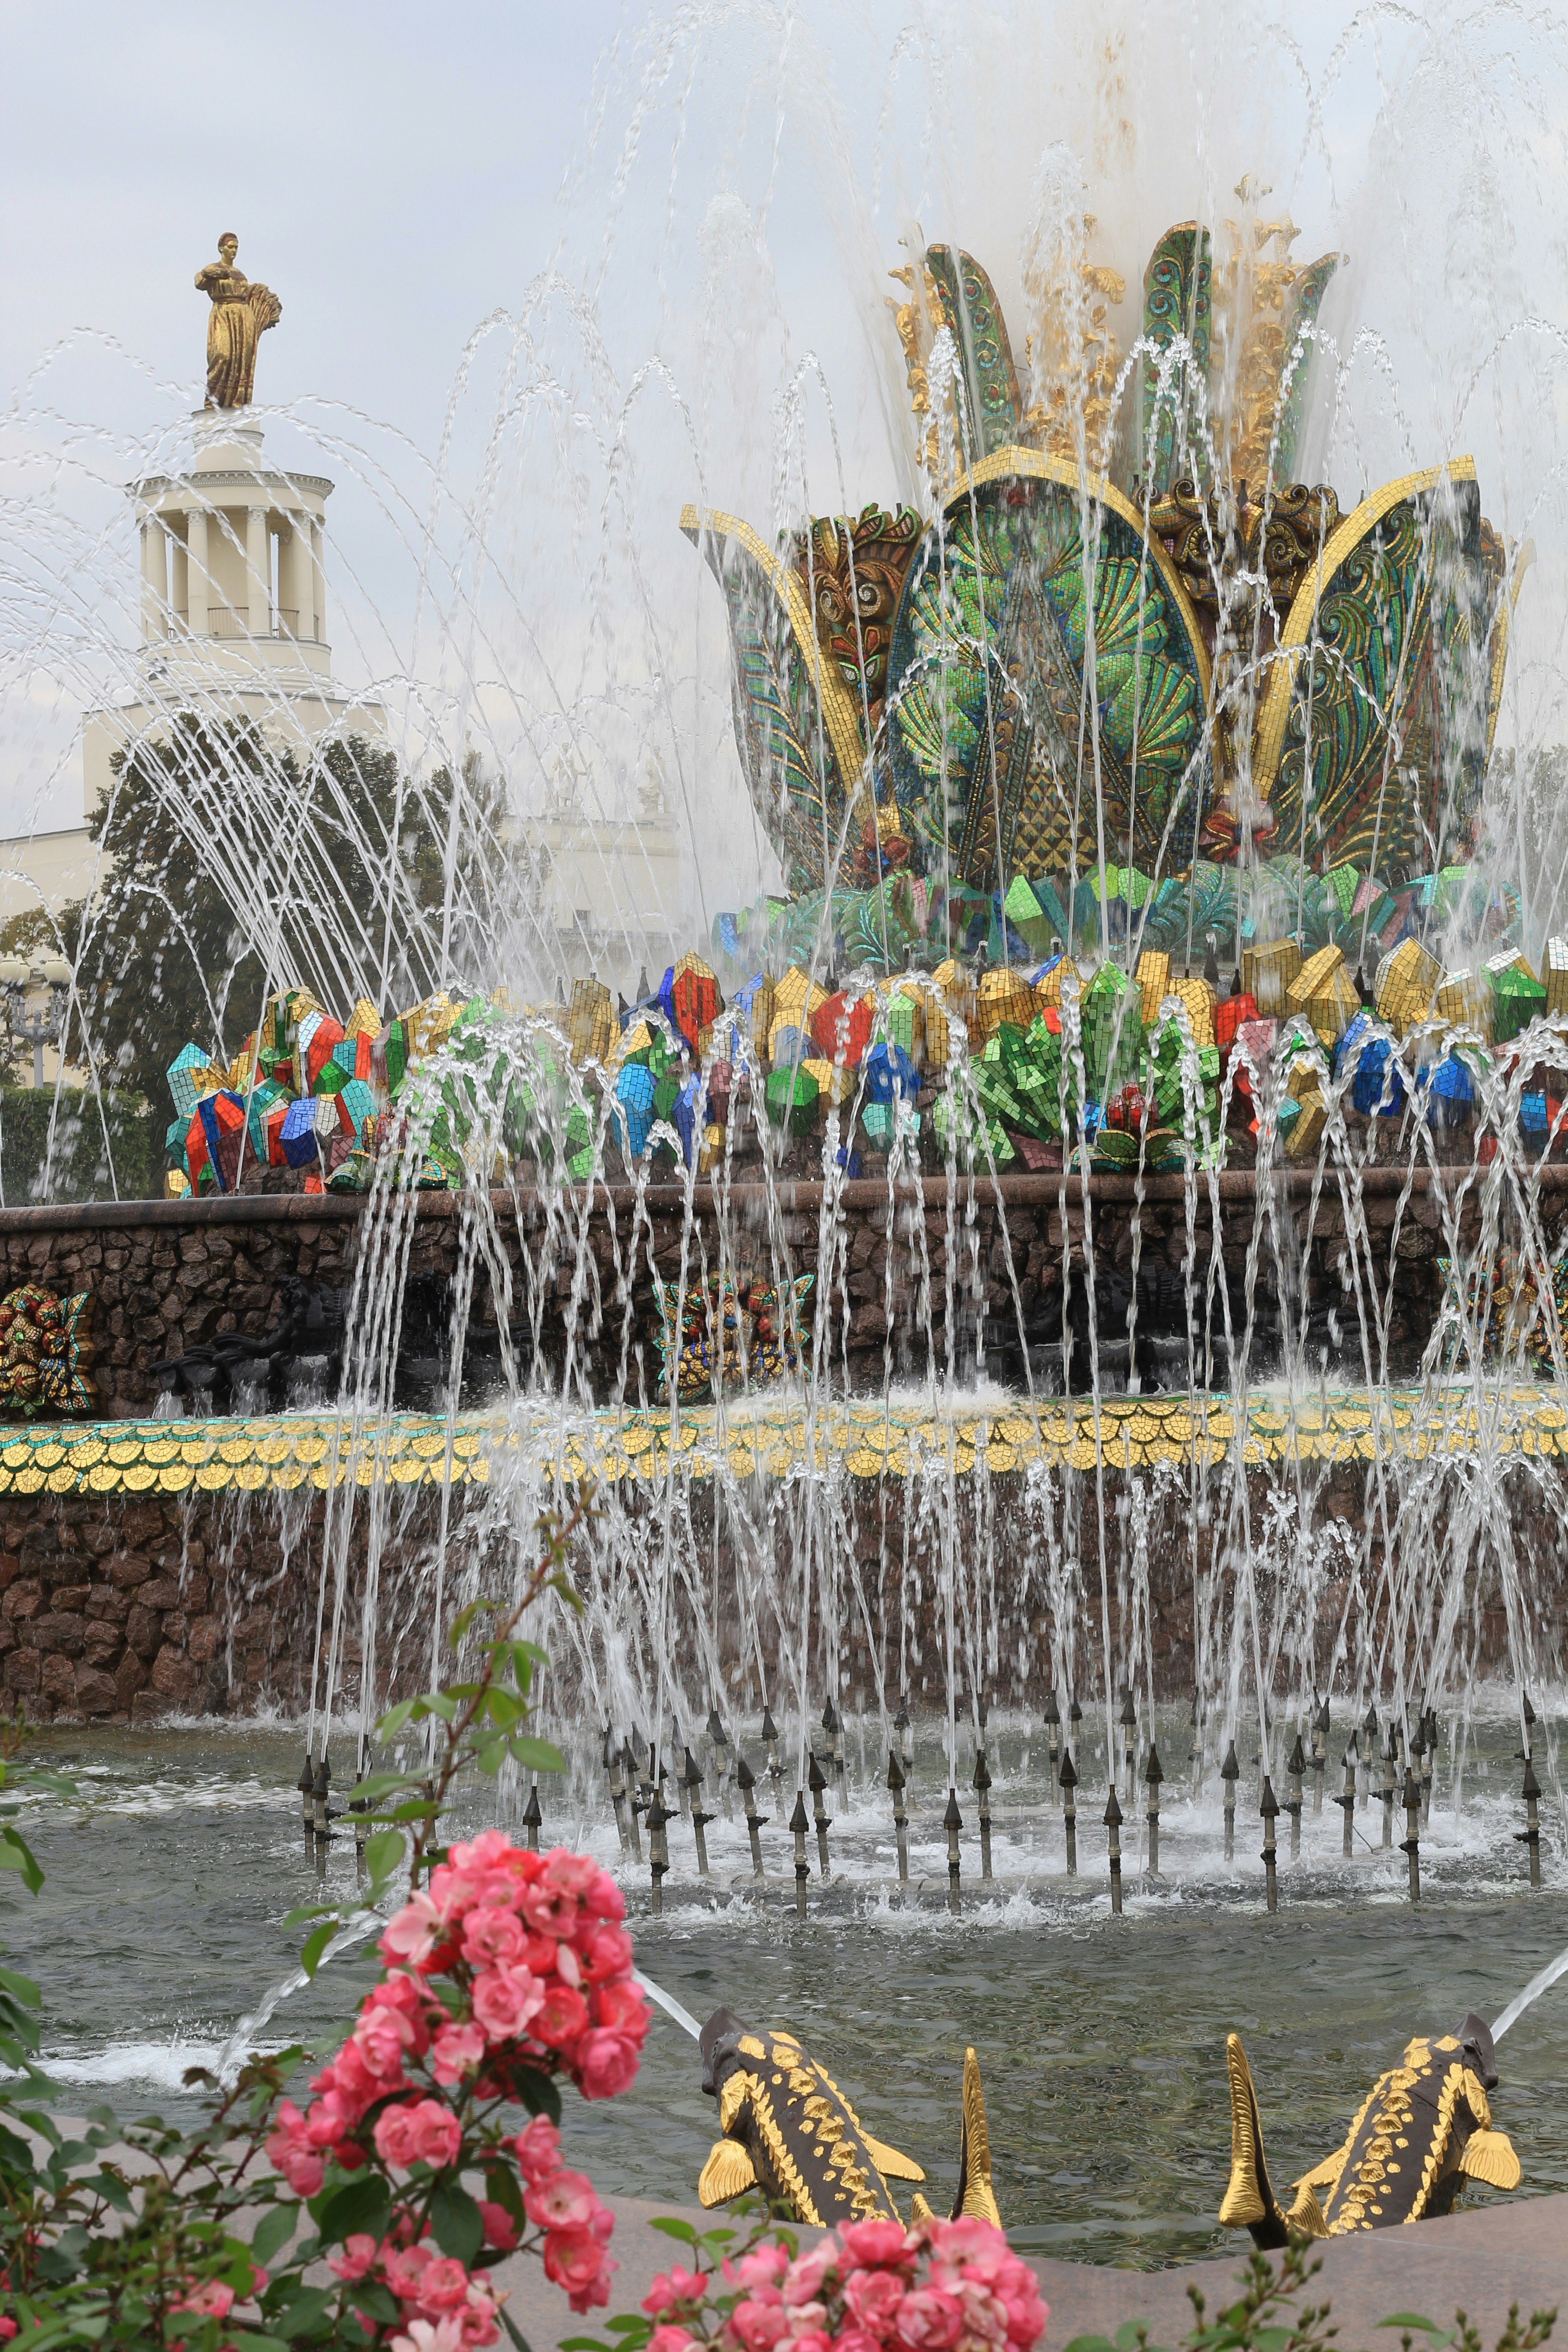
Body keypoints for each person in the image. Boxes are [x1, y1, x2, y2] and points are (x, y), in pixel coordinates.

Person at [194, 234, 280, 410]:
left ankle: (237, 401)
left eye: (236, 248)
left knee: (241, 359)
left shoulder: (240, 274)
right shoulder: (214, 269)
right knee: (222, 355)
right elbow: (200, 282)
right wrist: (210, 273)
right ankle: (213, 400)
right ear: (221, 248)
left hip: (243, 316)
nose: (234, 251)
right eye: (230, 247)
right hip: (222, 313)